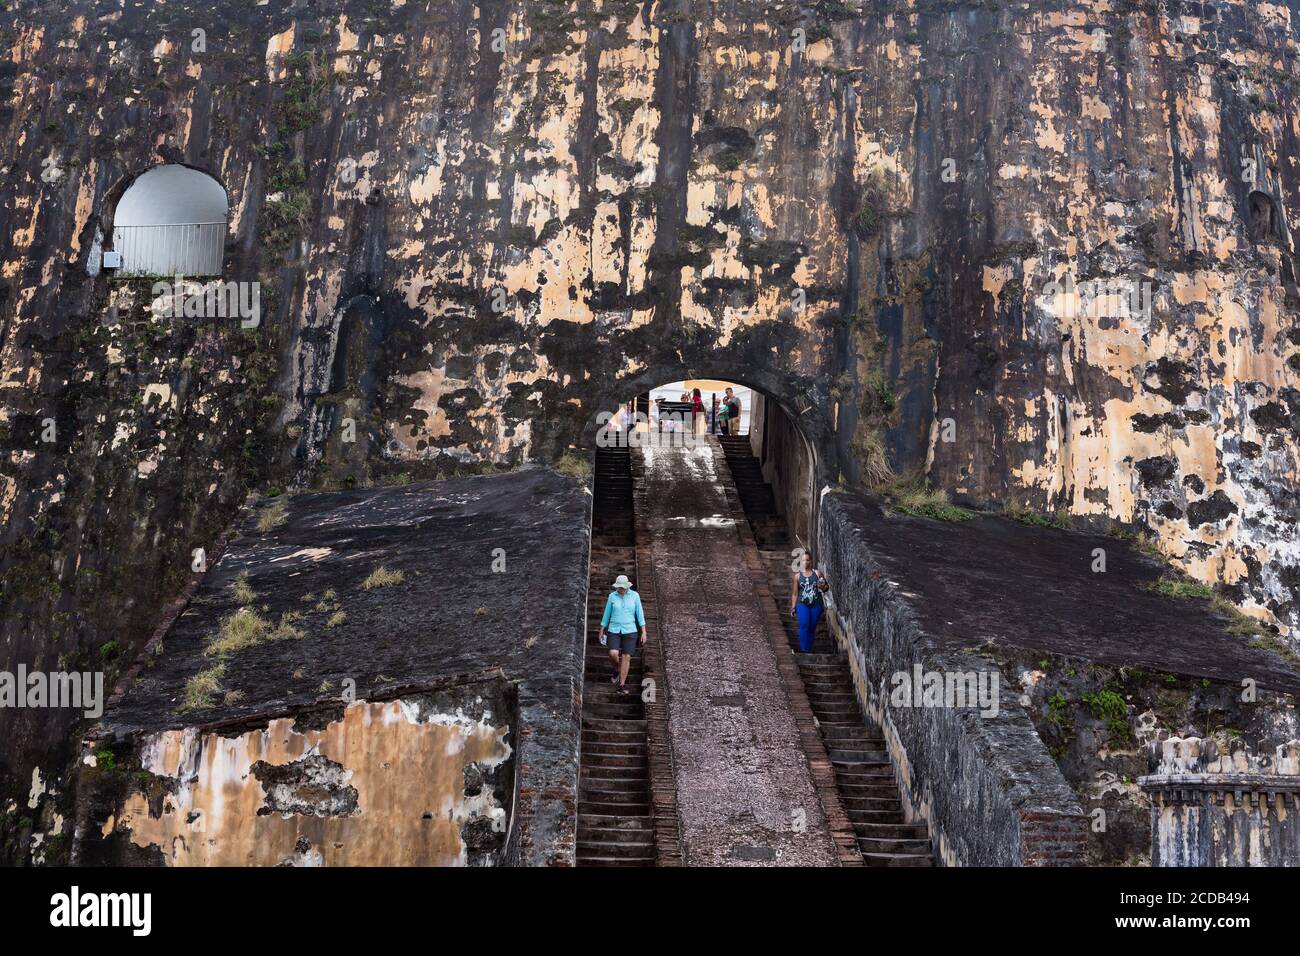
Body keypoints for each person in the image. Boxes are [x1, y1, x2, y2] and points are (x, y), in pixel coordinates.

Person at [599, 574, 646, 694]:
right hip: (614, 629)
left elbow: (640, 614)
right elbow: (607, 614)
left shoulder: (635, 596)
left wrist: (643, 632)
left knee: (626, 656)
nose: (622, 589)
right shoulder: (612, 596)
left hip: (630, 629)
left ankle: (622, 684)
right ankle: (617, 668)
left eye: (623, 587)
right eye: (620, 588)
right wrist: (601, 629)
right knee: (613, 653)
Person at [789, 552, 828, 653]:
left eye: (807, 560)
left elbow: (826, 588)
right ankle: (804, 649)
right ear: (800, 562)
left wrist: (822, 586)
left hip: (816, 605)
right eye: (803, 560)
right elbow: (795, 593)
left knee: (811, 627)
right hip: (802, 604)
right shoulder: (797, 576)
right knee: (804, 625)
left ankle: (809, 650)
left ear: (811, 561)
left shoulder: (817, 573)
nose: (805, 562)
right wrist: (793, 607)